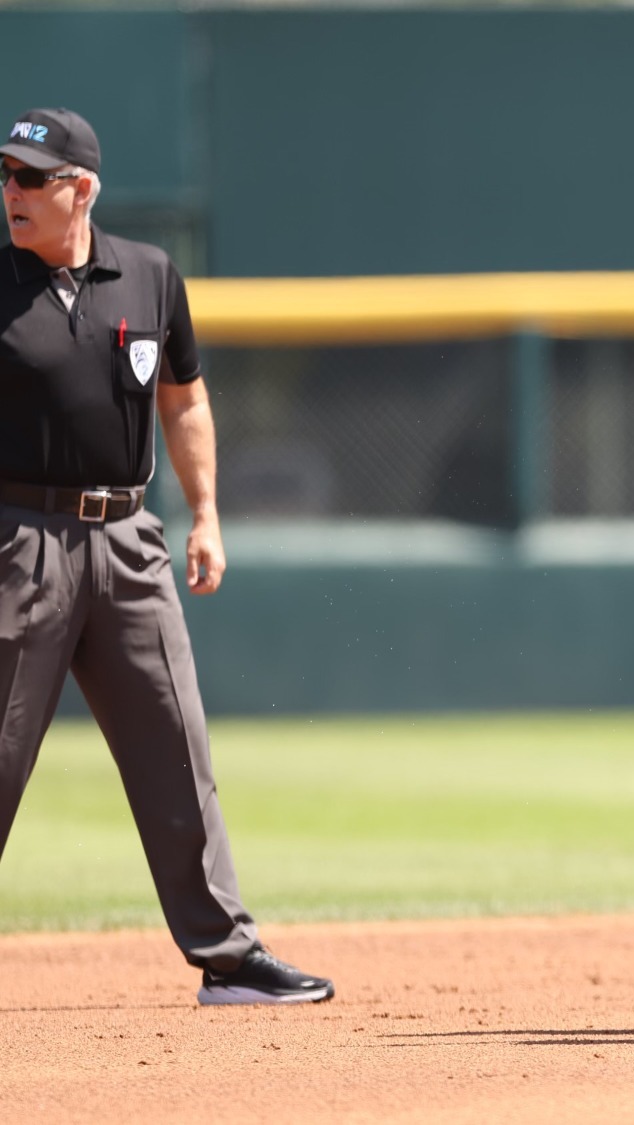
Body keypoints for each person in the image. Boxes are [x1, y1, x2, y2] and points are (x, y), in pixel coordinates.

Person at [0, 107, 332, 1005]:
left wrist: (208, 513)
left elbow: (184, 400)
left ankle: (227, 955)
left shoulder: (147, 276)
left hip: (128, 539)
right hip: (18, 538)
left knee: (175, 743)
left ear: (83, 189)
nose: (13, 193)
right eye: (7, 175)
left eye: (33, 177)